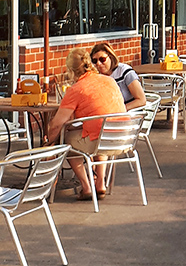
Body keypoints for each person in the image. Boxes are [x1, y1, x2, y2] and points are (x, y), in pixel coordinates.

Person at [47, 47, 127, 200]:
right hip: (124, 138)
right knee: (99, 133)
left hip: (101, 139)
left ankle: (86, 186)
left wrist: (49, 141)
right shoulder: (109, 81)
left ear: (71, 71)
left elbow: (57, 124)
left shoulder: (76, 89)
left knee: (66, 142)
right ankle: (100, 183)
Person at [90, 41, 146, 111]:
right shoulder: (96, 76)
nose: (98, 63)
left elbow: (141, 100)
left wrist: (119, 110)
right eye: (94, 61)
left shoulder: (124, 71)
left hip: (131, 113)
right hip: (108, 114)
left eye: (102, 59)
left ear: (111, 57)